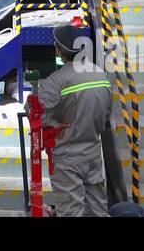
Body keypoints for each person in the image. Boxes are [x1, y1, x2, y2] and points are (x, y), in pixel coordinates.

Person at [33, 24, 112, 217]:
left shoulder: (56, 80)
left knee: (71, 211)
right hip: (93, 153)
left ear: (59, 50)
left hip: (67, 157)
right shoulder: (101, 74)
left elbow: (36, 113)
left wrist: (53, 124)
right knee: (97, 209)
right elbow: (107, 114)